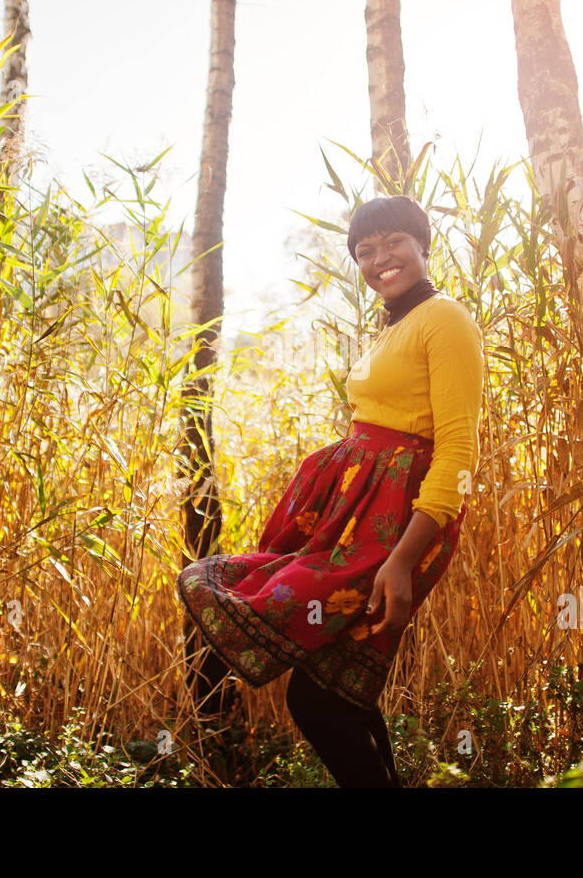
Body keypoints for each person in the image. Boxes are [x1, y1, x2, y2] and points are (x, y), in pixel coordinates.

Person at [176, 194, 484, 787]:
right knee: (344, 694)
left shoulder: (445, 319)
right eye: (364, 251)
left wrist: (402, 560)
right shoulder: (398, 324)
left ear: (424, 244)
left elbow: (458, 452)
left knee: (317, 702)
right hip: (358, 521)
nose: (380, 259)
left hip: (399, 527)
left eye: (394, 242)